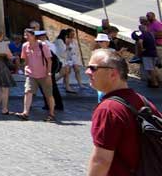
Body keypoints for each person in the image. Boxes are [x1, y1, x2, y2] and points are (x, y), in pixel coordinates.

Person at [85, 46, 160, 176]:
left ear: (113, 74)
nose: (87, 72)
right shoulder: (143, 101)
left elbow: (101, 160)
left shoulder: (108, 109)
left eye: (93, 68)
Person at [16, 28, 55, 121]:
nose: (25, 37)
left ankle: (51, 114)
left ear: (33, 36)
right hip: (31, 74)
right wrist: (26, 68)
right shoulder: (25, 46)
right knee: (28, 92)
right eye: (25, 35)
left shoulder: (43, 45)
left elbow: (49, 60)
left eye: (27, 35)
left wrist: (49, 73)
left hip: (44, 74)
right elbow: (25, 59)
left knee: (48, 94)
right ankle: (25, 113)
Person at [134, 16, 161, 89]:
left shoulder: (142, 35)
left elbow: (140, 42)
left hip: (147, 54)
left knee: (150, 69)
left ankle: (154, 83)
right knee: (153, 68)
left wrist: (141, 50)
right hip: (153, 53)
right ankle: (157, 80)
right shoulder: (151, 34)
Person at [53, 28, 82, 93]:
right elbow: (61, 51)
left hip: (64, 59)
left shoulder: (63, 41)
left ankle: (67, 87)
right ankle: (52, 82)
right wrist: (67, 47)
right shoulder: (59, 41)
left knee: (67, 72)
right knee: (63, 72)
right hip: (60, 59)